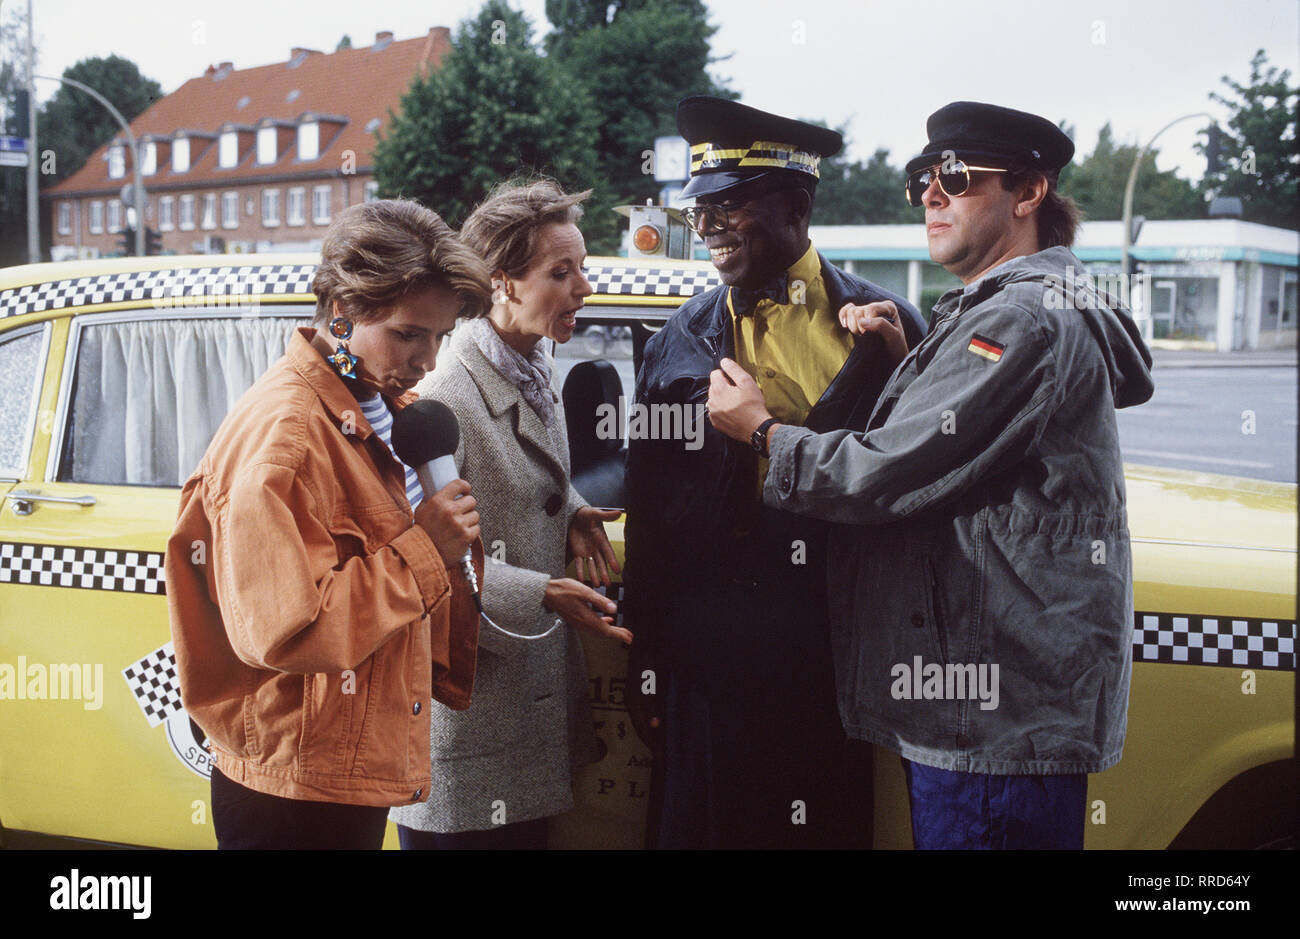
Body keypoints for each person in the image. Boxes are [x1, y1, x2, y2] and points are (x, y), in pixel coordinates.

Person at [706, 101, 1155, 850]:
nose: (930, 195)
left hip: (990, 718)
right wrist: (907, 358)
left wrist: (763, 431)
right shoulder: (1023, 304)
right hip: (998, 700)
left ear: (1029, 192)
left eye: (956, 176)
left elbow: (885, 474)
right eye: (922, 178)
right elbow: (971, 448)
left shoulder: (1021, 318)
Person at [622, 96, 925, 849]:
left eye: (729, 206)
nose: (709, 227)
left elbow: (923, 485)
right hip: (707, 662)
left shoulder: (890, 327)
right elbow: (651, 514)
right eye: (701, 210)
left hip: (833, 652)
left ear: (797, 206)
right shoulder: (676, 339)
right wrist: (646, 659)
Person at [165, 199, 492, 850]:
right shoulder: (285, 436)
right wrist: (424, 550)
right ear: (342, 310)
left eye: (440, 336)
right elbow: (289, 630)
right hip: (292, 783)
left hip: (342, 763)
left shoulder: (380, 404)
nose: (428, 359)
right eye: (408, 334)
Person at [389, 178, 633, 850]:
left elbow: (525, 480)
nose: (584, 288)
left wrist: (572, 509)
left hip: (519, 715)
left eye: (583, 268)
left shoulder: (529, 364)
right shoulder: (445, 395)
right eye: (561, 273)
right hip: (471, 721)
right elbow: (416, 565)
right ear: (502, 283)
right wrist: (542, 592)